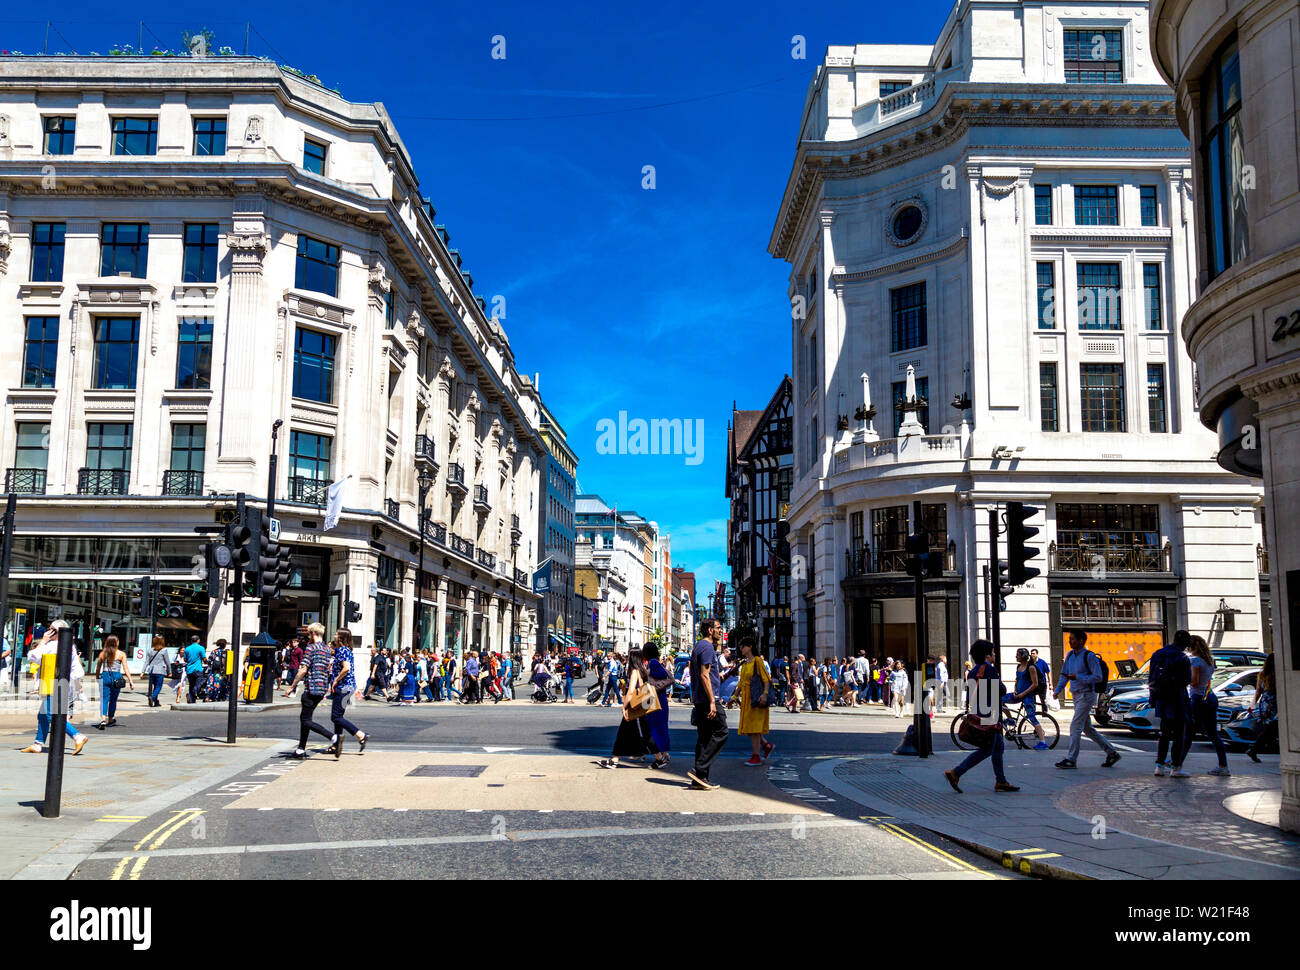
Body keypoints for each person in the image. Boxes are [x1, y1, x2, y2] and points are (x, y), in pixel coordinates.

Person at [943, 639, 1019, 794]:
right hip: (992, 714)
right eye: (993, 653)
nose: (994, 655)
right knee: (991, 748)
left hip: (979, 712)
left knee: (995, 747)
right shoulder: (990, 669)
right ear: (987, 656)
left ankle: (1000, 781)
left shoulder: (972, 672)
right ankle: (957, 772)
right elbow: (1001, 690)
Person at [1054, 630, 1121, 770]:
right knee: (1088, 729)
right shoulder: (1070, 655)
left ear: (1080, 641)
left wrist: (1078, 677)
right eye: (1069, 638)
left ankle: (1071, 759)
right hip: (1076, 695)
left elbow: (1098, 677)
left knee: (1075, 726)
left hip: (1086, 695)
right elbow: (1064, 675)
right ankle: (1112, 752)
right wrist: (1057, 690)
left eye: (1072, 639)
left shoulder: (1089, 656)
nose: (1069, 641)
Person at [20, 621, 88, 756]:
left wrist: (43, 641)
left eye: (51, 630)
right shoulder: (69, 646)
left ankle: (77, 736)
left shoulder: (52, 645)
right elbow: (76, 669)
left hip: (52, 683)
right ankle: (38, 744)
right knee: (43, 715)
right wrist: (77, 685)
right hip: (62, 683)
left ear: (56, 633)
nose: (48, 631)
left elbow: (32, 657)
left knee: (52, 714)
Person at [282, 622, 338, 759]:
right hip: (322, 688)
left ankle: (333, 737)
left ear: (313, 633)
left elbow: (303, 669)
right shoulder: (326, 649)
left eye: (308, 634)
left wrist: (292, 686)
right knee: (306, 718)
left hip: (311, 687)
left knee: (305, 720)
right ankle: (300, 749)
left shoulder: (311, 648)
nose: (308, 636)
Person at [687, 618, 729, 791]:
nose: (721, 630)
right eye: (718, 628)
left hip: (700, 698)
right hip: (707, 699)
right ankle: (700, 770)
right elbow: (704, 675)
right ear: (710, 630)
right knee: (722, 731)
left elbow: (704, 673)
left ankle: (700, 779)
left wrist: (718, 677)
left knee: (704, 737)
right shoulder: (706, 647)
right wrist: (713, 700)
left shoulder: (699, 646)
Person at [598, 648, 657, 768]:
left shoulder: (635, 671)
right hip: (640, 705)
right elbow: (642, 688)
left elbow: (631, 691)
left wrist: (624, 706)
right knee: (626, 734)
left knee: (643, 734)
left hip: (634, 706)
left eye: (630, 655)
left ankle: (660, 757)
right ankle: (615, 759)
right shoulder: (643, 670)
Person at [1147, 630, 1192, 777]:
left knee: (1164, 732)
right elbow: (1187, 680)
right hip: (1177, 698)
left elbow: (1151, 678)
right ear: (1185, 643)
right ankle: (1175, 767)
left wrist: (1153, 697)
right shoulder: (1182, 657)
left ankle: (1159, 766)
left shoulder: (1158, 654)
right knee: (1179, 734)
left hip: (1161, 698)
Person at [1186, 634, 1229, 776]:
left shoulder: (1195, 661)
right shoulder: (1209, 661)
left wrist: (1184, 679)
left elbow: (1195, 681)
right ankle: (1223, 766)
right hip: (1209, 696)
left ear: (1191, 647)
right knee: (1213, 734)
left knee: (1188, 732)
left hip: (1198, 698)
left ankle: (1176, 762)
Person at [326, 628, 368, 758]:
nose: (334, 635)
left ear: (341, 638)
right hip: (347, 687)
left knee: (336, 717)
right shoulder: (347, 651)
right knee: (338, 717)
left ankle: (360, 735)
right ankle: (336, 745)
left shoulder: (342, 651)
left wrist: (336, 680)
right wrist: (355, 688)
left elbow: (346, 668)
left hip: (343, 687)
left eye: (336, 634)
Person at [736, 636, 774, 766]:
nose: (741, 649)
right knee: (749, 727)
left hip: (756, 698)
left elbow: (766, 679)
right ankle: (765, 745)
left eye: (743, 646)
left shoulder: (757, 661)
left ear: (750, 647)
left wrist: (765, 694)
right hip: (747, 698)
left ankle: (756, 755)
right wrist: (734, 697)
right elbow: (741, 683)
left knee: (753, 727)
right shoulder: (745, 663)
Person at [1007, 648, 1049, 749]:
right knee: (999, 700)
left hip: (1028, 696)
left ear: (1024, 656)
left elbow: (1035, 684)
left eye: (1018, 655)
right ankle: (1010, 720)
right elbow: (1017, 680)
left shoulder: (1031, 668)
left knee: (1031, 717)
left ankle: (1043, 742)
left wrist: (1023, 694)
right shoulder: (1018, 666)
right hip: (1018, 694)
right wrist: (1015, 690)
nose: (1016, 656)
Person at [643, 643, 673, 767]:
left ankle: (661, 755)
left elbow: (661, 675)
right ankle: (665, 754)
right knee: (660, 727)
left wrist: (647, 674)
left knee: (655, 727)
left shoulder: (653, 663)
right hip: (660, 698)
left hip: (656, 699)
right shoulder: (654, 662)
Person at [95, 635, 134, 729]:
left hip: (105, 676)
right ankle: (111, 719)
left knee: (104, 700)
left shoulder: (102, 654)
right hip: (117, 677)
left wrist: (97, 678)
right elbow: (125, 668)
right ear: (116, 642)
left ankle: (103, 719)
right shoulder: (121, 654)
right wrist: (130, 680)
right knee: (113, 700)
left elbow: (98, 668)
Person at [1245, 653, 1277, 764]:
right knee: (1272, 728)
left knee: (1270, 728)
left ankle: (1255, 749)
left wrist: (1253, 705)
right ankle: (1254, 749)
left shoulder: (1262, 674)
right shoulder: (1278, 674)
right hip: (1276, 703)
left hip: (1266, 703)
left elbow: (1258, 690)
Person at [143, 634, 169, 708]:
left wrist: (142, 671)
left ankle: (156, 702)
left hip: (151, 671)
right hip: (160, 671)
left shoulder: (150, 650)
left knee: (154, 686)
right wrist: (170, 672)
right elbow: (167, 662)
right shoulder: (164, 650)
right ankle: (152, 697)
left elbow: (146, 662)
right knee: (158, 687)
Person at [182, 635, 206, 704]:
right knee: (200, 682)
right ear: (198, 640)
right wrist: (206, 662)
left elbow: (185, 659)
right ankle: (193, 693)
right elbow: (204, 658)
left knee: (191, 685)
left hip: (189, 669)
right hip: (198, 669)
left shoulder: (187, 648)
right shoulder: (201, 648)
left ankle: (192, 700)